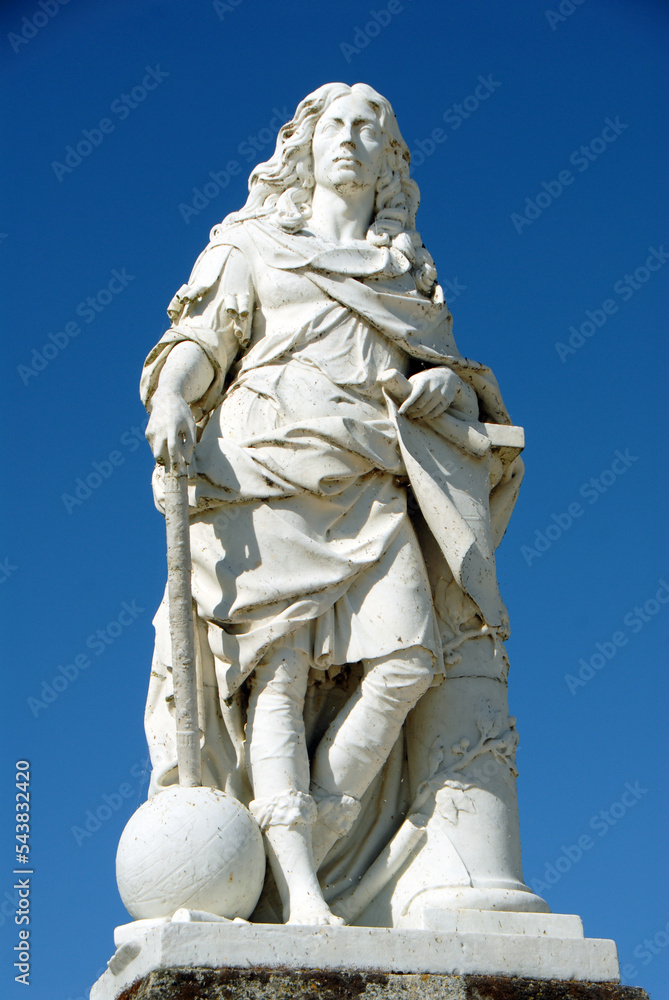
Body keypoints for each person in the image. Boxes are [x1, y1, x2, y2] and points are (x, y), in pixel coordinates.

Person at [141, 82, 523, 926]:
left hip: (373, 478)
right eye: (334, 127)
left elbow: (455, 387)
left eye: (369, 130)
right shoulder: (249, 245)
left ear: (390, 160)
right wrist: (171, 396)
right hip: (261, 475)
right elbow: (200, 343)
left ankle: (294, 864)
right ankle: (301, 894)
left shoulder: (404, 274)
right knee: (273, 683)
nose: (349, 140)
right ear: (305, 147)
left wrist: (436, 390)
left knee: (407, 661)